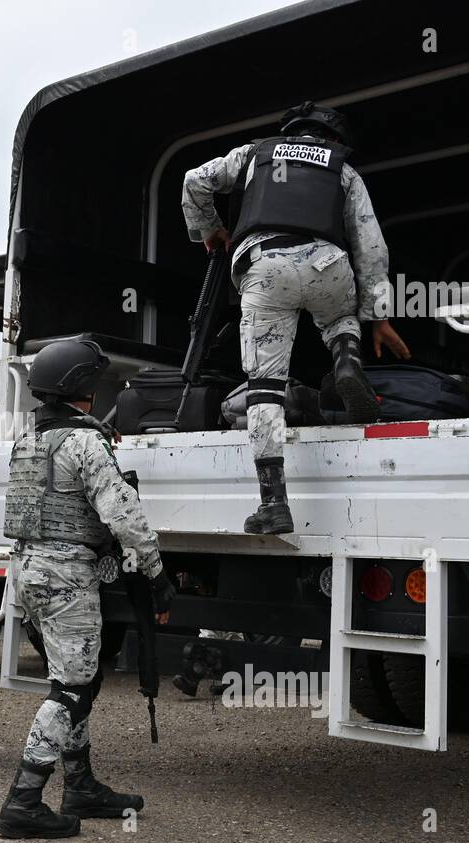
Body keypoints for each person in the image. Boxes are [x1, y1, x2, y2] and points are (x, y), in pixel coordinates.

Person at [181, 100, 410, 534]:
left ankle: (274, 503)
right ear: (335, 141)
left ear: (290, 131)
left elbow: (194, 180)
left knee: (265, 389)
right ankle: (346, 357)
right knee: (340, 317)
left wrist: (209, 229)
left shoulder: (254, 154)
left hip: (266, 266)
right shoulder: (344, 170)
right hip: (328, 262)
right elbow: (372, 247)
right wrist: (378, 316)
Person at [0, 338, 176, 839]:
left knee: (76, 678)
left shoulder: (29, 440)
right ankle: (23, 800)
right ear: (85, 388)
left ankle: (80, 785)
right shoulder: (85, 442)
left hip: (29, 571)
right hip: (67, 575)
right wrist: (157, 573)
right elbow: (122, 513)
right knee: (72, 688)